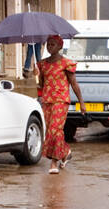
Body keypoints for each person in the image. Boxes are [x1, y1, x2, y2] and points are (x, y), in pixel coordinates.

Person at [36, 34, 86, 173]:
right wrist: (37, 73)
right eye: (48, 44)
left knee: (56, 130)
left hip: (61, 100)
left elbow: (74, 84)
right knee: (49, 132)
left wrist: (81, 103)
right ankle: (65, 153)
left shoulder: (66, 63)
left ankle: (54, 163)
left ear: (60, 47)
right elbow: (41, 85)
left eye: (53, 44)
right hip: (47, 101)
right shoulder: (42, 64)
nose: (49, 47)